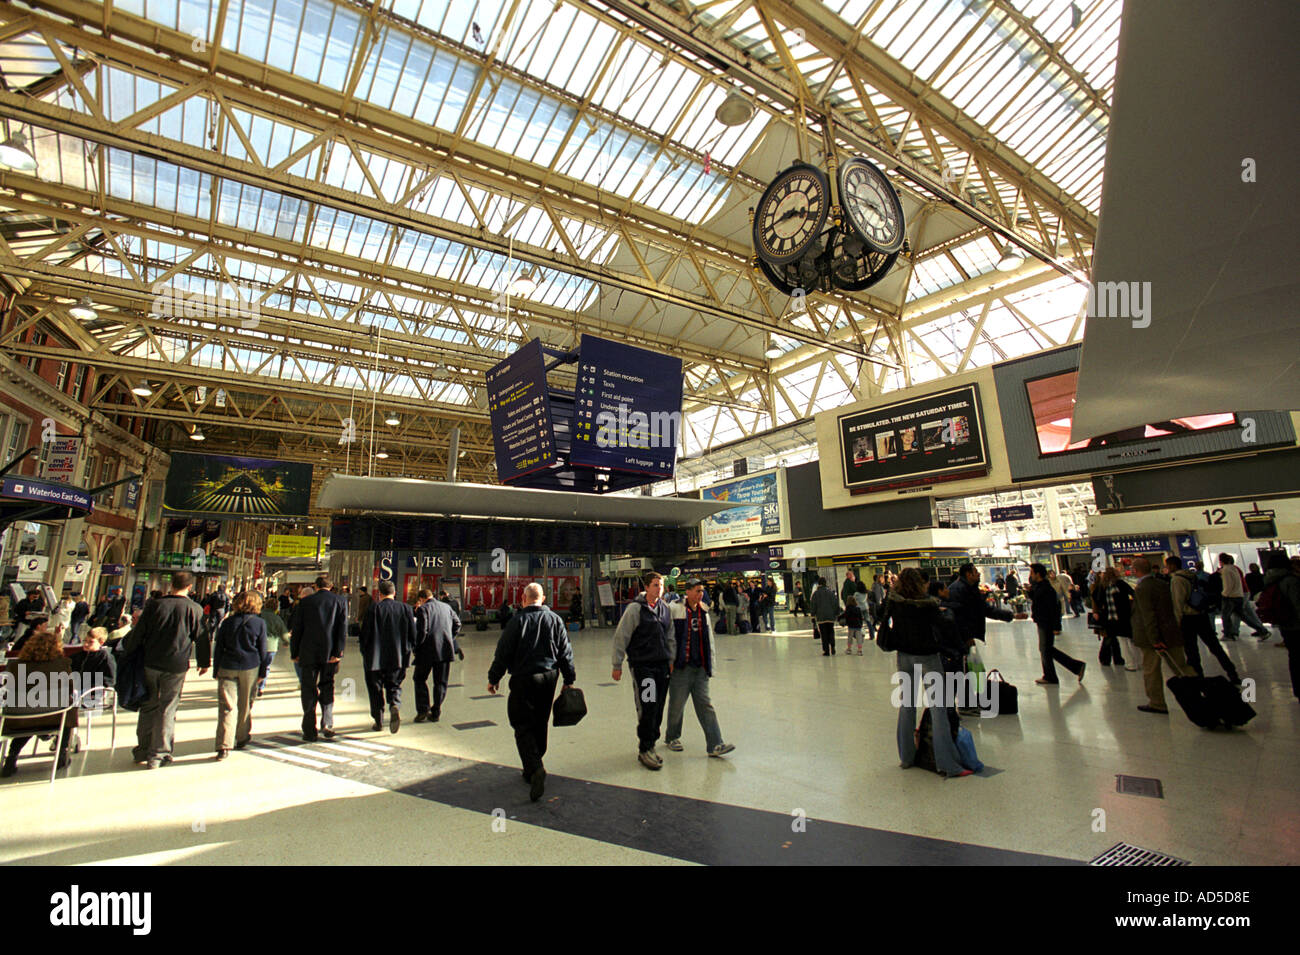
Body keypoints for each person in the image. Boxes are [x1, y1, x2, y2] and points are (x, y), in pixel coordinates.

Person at [487, 582, 576, 800]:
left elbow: (503, 652)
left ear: (523, 599)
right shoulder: (555, 619)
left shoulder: (516, 621)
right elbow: (565, 650)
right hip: (549, 677)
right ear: (543, 598)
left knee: (521, 723)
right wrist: (569, 678)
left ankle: (535, 767)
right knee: (540, 721)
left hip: (524, 679)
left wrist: (494, 677)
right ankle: (532, 767)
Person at [881, 569, 969, 778]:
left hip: (904, 656)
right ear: (919, 583)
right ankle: (947, 763)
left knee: (907, 705)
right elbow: (943, 627)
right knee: (938, 708)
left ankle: (907, 757)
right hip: (928, 656)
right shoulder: (927, 604)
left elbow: (883, 619)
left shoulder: (894, 601)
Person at [121, 571, 208, 769]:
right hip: (176, 666)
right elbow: (202, 637)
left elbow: (138, 633)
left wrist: (128, 654)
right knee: (168, 707)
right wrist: (204, 662)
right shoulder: (194, 609)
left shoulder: (154, 605)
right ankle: (159, 754)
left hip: (151, 662)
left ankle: (142, 749)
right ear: (190, 587)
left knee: (149, 705)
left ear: (171, 585)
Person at [664, 578, 735, 758]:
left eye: (701, 590)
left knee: (705, 705)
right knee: (677, 704)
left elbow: (708, 640)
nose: (700, 594)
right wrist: (669, 661)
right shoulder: (675, 610)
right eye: (696, 590)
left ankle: (715, 744)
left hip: (700, 668)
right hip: (681, 667)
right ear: (687, 591)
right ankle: (672, 736)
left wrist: (710, 666)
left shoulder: (704, 611)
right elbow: (668, 636)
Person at [1, 618, 78, 777]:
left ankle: (12, 756)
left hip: (18, 717)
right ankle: (62, 752)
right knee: (68, 710)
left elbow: (9, 688)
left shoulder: (15, 665)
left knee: (29, 717)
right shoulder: (62, 664)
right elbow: (69, 689)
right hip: (53, 716)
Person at [611, 571, 673, 770]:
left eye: (661, 585)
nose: (659, 588)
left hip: (661, 666)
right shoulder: (635, 610)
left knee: (659, 706)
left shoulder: (664, 609)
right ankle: (644, 748)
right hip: (643, 666)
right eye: (655, 585)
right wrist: (617, 664)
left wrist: (671, 658)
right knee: (648, 705)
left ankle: (652, 744)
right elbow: (622, 636)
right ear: (646, 587)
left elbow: (670, 635)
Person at [212, 590, 270, 760]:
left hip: (227, 666)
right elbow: (263, 650)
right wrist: (262, 671)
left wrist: (216, 669)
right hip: (250, 667)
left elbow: (219, 647)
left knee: (226, 706)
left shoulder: (227, 622)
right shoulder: (259, 623)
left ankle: (223, 745)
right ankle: (242, 737)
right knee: (245, 704)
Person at [289, 574, 348, 741]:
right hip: (330, 655)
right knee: (328, 685)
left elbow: (297, 629)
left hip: (308, 653)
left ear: (315, 587)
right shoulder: (340, 601)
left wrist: (295, 653)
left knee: (308, 688)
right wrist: (339, 652)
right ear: (331, 586)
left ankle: (309, 729)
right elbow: (342, 629)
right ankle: (327, 723)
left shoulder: (305, 602)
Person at [1167, 555, 1240, 685]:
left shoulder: (1177, 580)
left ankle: (1198, 678)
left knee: (1191, 650)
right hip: (1202, 615)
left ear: (1172, 565)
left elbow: (1178, 602)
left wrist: (1177, 622)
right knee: (1215, 646)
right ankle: (1232, 673)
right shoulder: (1192, 576)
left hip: (1188, 618)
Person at [1130, 556, 1188, 714]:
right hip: (1171, 631)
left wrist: (1154, 639)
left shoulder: (1142, 588)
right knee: (1181, 666)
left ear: (1135, 571)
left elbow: (1148, 615)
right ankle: (1197, 691)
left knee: (1151, 671)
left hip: (1152, 637)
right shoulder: (1163, 583)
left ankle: (1157, 702)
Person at [360, 579, 414, 733]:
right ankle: (394, 704)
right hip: (398, 657)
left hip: (375, 658)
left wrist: (365, 652)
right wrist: (408, 650)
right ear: (394, 592)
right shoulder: (406, 609)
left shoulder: (373, 609)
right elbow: (412, 634)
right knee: (395, 684)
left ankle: (378, 720)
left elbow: (365, 634)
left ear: (380, 594)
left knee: (375, 688)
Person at [1028, 563, 1085, 685]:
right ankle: (1053, 674)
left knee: (1046, 649)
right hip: (1042, 621)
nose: (1030, 575)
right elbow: (1037, 601)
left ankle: (1072, 668)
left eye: (1032, 572)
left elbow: (1054, 607)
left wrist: (1056, 625)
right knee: (1046, 649)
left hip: (1046, 622)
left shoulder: (1046, 588)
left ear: (1038, 574)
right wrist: (1030, 592)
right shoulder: (1040, 586)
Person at [413, 588, 461, 723]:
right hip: (444, 650)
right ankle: (436, 711)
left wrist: (416, 648)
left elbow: (422, 631)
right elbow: (458, 623)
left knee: (419, 678)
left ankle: (423, 710)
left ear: (421, 599)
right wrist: (450, 638)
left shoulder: (423, 609)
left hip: (427, 651)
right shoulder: (446, 607)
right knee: (440, 682)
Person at [1261, 553, 1300, 702]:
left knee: (1294, 658)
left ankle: (1297, 689)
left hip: (1285, 624)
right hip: (1297, 624)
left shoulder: (1270, 579)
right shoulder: (1290, 580)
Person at [1092, 568, 1131, 668]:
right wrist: (1096, 610)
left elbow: (1096, 598)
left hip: (1114, 616)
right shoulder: (1101, 586)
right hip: (1114, 616)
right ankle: (1111, 658)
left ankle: (1115, 658)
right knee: (1113, 637)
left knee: (1114, 638)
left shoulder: (1111, 585)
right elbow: (1095, 598)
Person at [258, 596, 288, 696]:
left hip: (258, 645)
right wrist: (286, 642)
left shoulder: (259, 615)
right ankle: (261, 687)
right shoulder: (277, 618)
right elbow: (283, 632)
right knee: (266, 666)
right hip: (271, 646)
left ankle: (254, 683)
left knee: (257, 665)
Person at [811, 576, 841, 655]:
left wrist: (813, 615)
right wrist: (837, 613)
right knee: (831, 631)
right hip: (830, 616)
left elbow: (813, 605)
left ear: (819, 584)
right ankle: (833, 646)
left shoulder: (816, 594)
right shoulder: (831, 593)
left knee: (823, 633)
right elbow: (835, 603)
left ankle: (826, 650)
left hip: (821, 617)